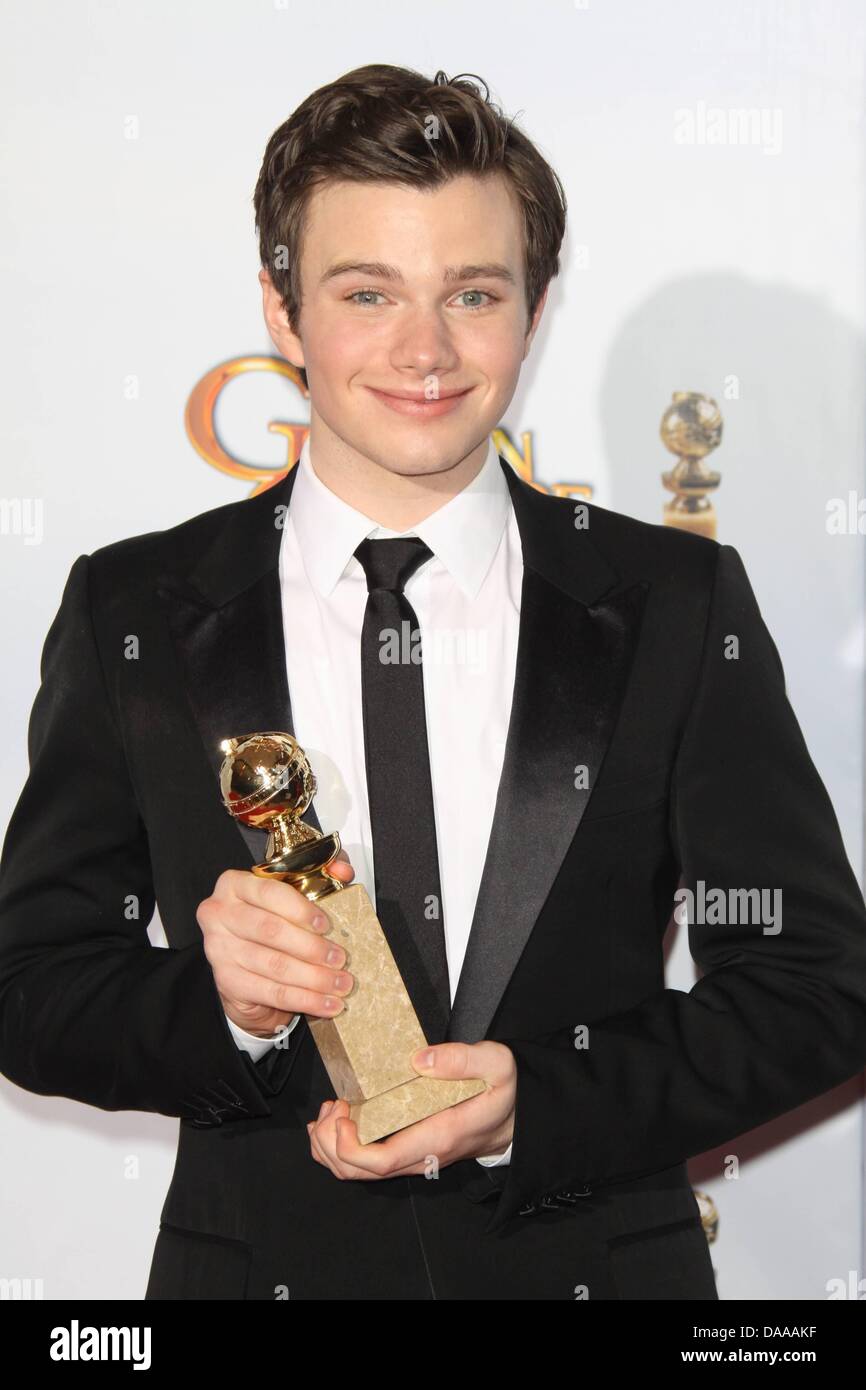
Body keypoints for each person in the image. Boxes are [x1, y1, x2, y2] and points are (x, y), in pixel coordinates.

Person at [1, 62, 865, 1302]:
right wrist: (229, 1009)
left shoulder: (675, 607)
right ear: (282, 311)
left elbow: (808, 988)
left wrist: (537, 1103)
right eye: (367, 292)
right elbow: (31, 988)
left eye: (472, 291)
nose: (424, 349)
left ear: (532, 306)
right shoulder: (134, 608)